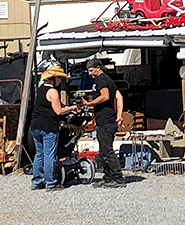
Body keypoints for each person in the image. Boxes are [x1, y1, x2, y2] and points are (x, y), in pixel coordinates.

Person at [30, 65, 77, 191]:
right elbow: (58, 111)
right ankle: (51, 183)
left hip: (35, 124)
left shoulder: (40, 89)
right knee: (49, 154)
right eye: (60, 78)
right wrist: (71, 108)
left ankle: (36, 181)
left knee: (39, 154)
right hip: (48, 125)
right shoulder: (53, 91)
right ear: (54, 78)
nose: (61, 81)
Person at [82, 59, 126, 188]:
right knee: (103, 151)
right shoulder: (108, 79)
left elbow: (106, 96)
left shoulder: (101, 79)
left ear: (98, 68)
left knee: (107, 151)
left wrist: (90, 103)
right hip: (107, 119)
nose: (89, 73)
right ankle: (108, 177)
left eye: (91, 70)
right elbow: (119, 97)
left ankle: (118, 178)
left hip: (106, 120)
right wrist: (119, 115)